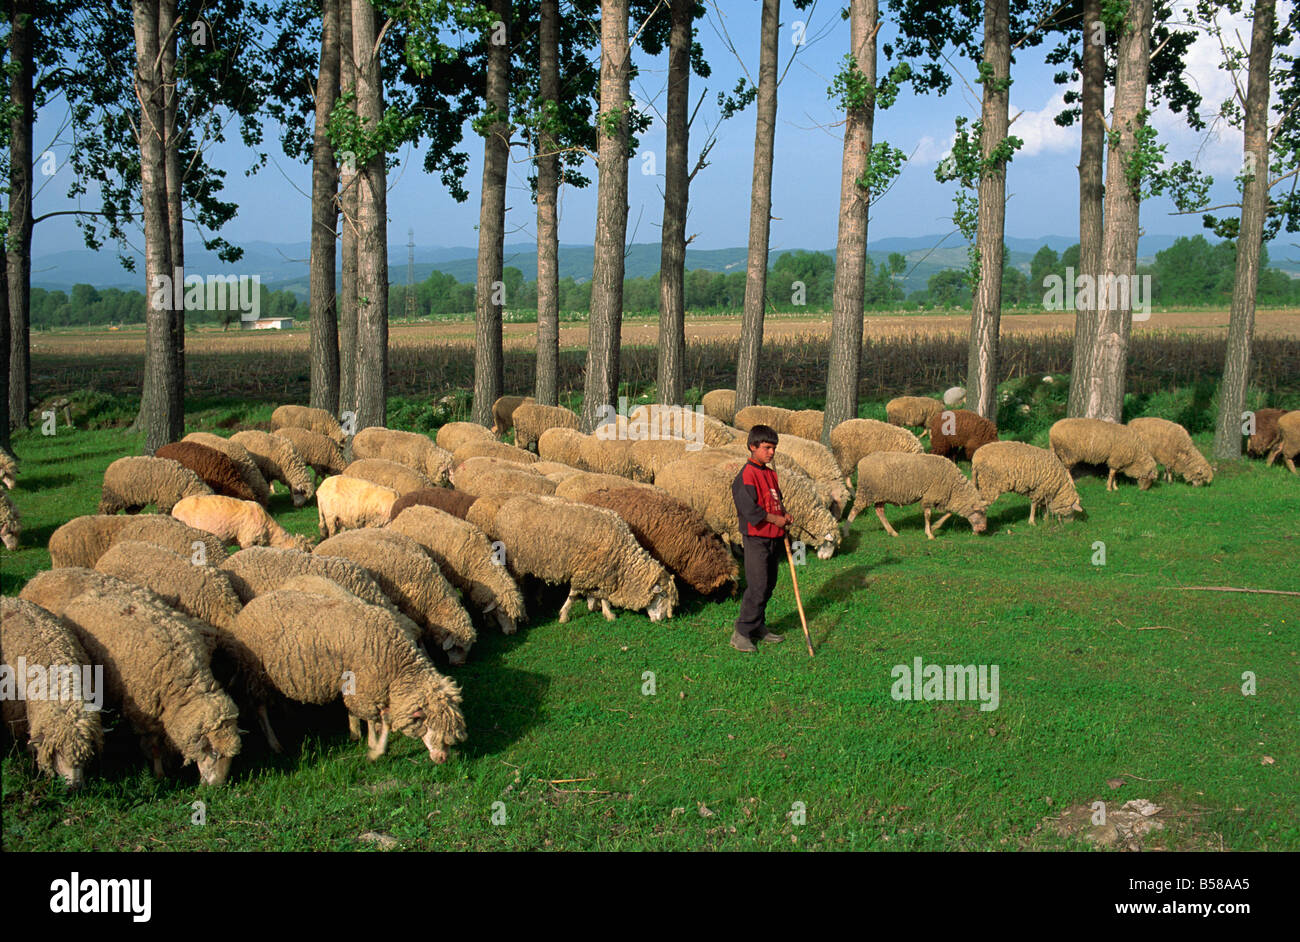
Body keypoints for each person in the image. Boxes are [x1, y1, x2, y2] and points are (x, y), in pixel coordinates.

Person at [729, 424, 792, 652]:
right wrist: (775, 519)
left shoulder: (769, 473)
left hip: (774, 537)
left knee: (769, 584)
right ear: (752, 447)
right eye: (766, 447)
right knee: (757, 585)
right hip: (756, 537)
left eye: (773, 447)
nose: (771, 452)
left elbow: (775, 501)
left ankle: (757, 625)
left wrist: (783, 515)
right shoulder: (746, 475)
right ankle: (742, 632)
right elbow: (749, 509)